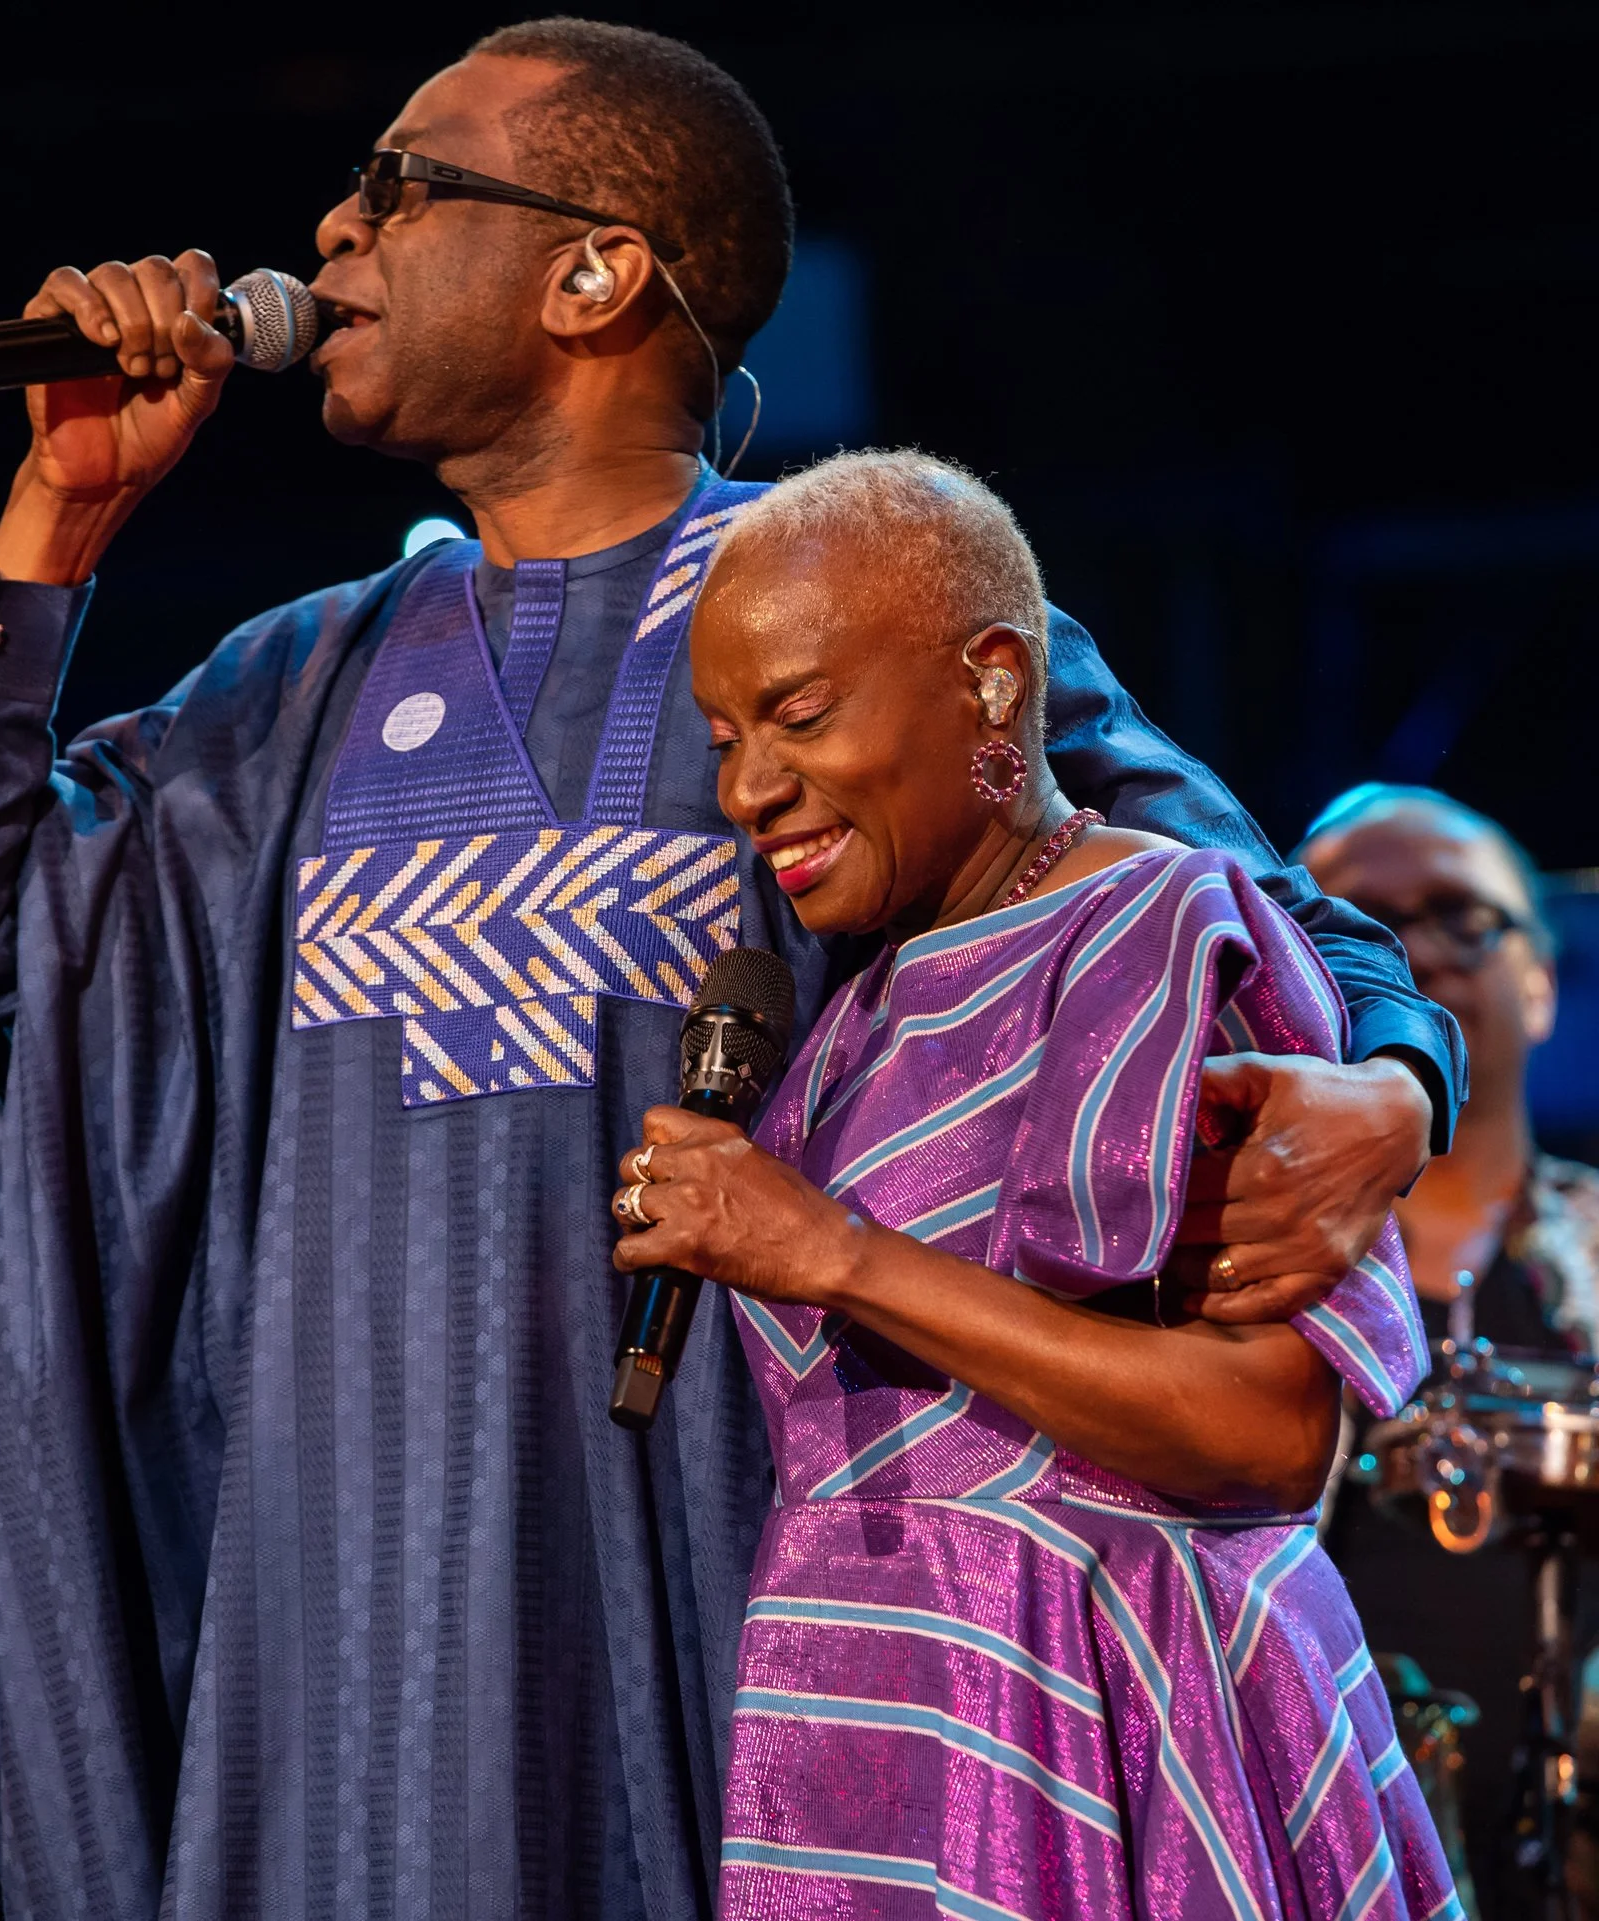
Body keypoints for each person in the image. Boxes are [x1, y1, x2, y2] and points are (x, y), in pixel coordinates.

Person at [0, 22, 1463, 1919]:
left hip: (777, 1634)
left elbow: (1279, 920)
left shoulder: (871, 613)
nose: (328, 230)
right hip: (353, 1685)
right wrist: (63, 528)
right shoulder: (282, 695)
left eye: (396, 184)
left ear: (594, 268)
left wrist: (1402, 1083)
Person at [612, 450, 1456, 1918]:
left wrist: (840, 1256)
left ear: (997, 682)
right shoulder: (852, 1019)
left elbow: (1265, 1438)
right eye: (725, 733)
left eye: (799, 716)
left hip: (1124, 1715)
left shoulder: (1163, 932)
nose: (748, 786)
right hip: (883, 1735)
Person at [1302, 785, 1599, 1912]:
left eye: (1459, 918)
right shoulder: (1209, 1271)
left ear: (1538, 985)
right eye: (1358, 926)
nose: (1414, 954)